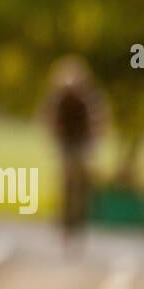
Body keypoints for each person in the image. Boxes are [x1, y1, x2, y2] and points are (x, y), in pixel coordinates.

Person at [39, 54, 110, 252]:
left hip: (81, 143)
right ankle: (65, 225)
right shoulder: (58, 98)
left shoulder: (88, 98)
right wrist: (54, 140)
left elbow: (97, 121)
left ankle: (77, 224)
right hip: (66, 144)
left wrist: (93, 145)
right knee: (67, 184)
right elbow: (49, 119)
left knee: (80, 186)